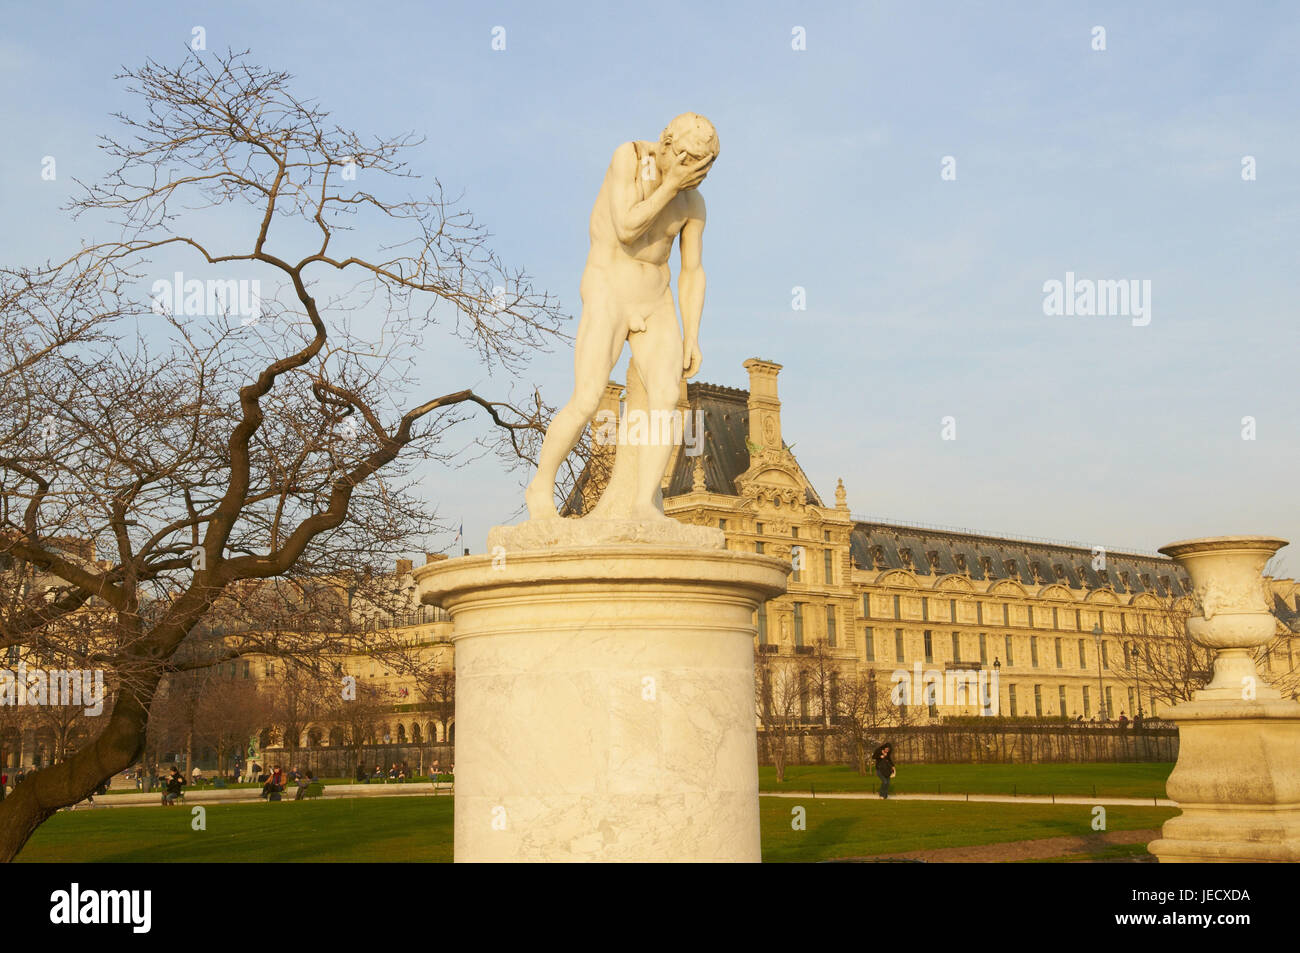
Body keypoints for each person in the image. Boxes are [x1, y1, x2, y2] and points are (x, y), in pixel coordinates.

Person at [525, 113, 719, 520]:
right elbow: (628, 227)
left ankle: (643, 504)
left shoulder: (693, 202)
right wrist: (669, 185)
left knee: (666, 400)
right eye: (691, 162)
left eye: (705, 167)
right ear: (668, 146)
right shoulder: (628, 158)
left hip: (655, 297)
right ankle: (541, 487)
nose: (696, 175)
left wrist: (693, 334)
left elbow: (692, 271)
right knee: (588, 397)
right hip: (609, 288)